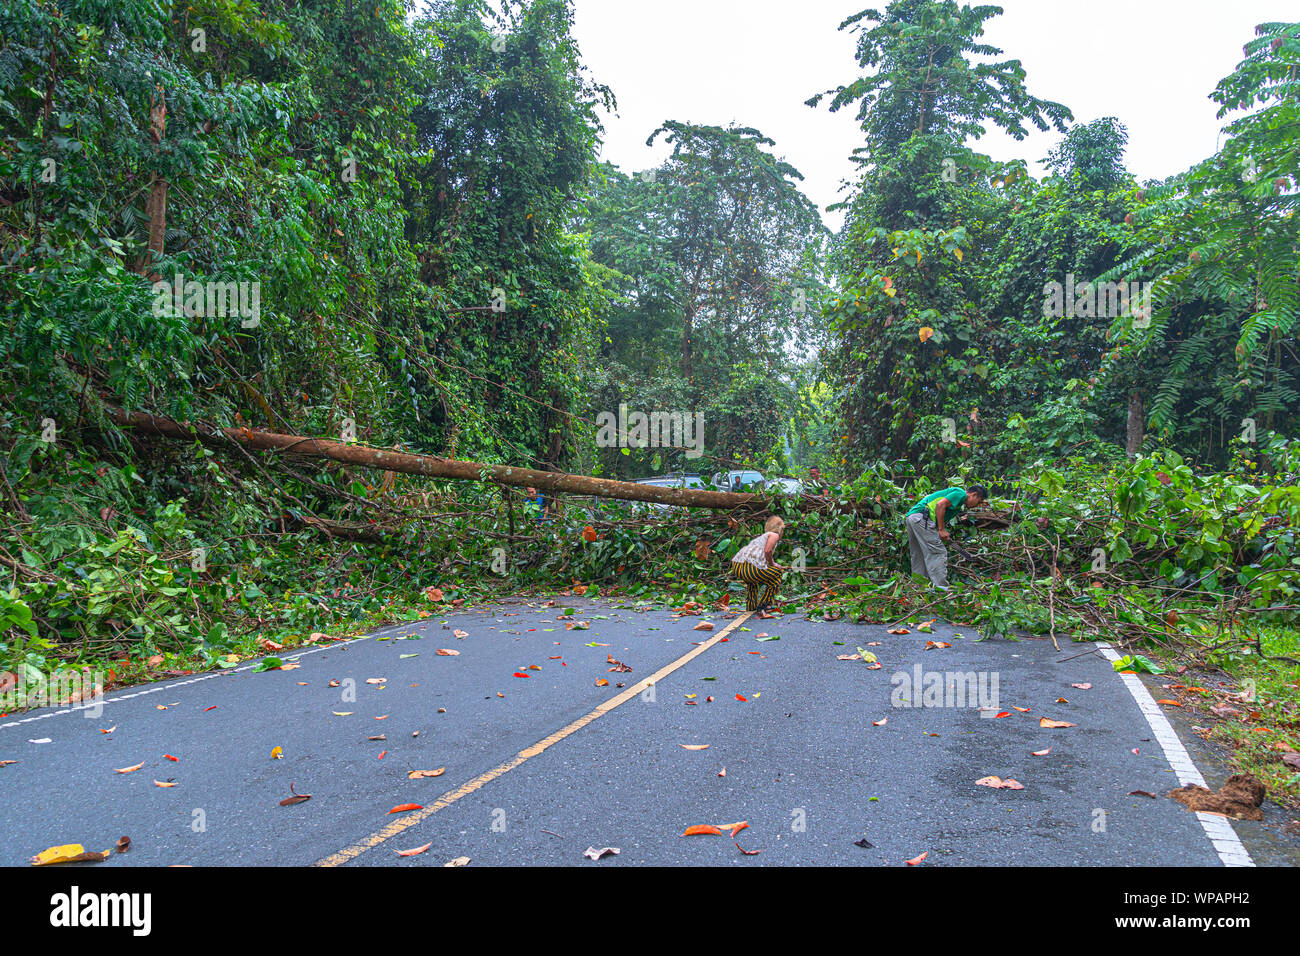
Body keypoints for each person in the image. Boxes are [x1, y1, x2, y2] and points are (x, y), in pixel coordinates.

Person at [903, 484, 987, 588]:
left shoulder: (958, 501)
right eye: (979, 501)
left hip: (913, 517)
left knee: (918, 554)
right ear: (974, 495)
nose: (976, 505)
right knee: (938, 552)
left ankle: (918, 587)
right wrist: (941, 530)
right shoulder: (961, 494)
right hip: (922, 518)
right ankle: (941, 589)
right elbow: (940, 505)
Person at [731, 516, 787, 618]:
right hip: (750, 567)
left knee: (752, 582)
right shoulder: (774, 535)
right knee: (777, 573)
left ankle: (751, 606)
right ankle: (763, 605)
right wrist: (773, 564)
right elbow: (767, 551)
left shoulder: (763, 537)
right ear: (780, 528)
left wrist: (771, 563)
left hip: (738, 566)